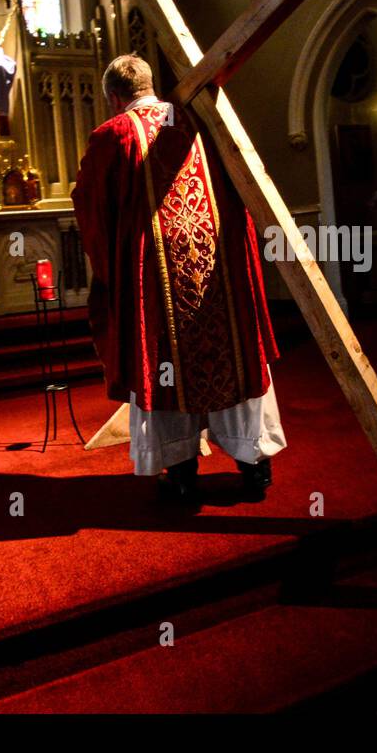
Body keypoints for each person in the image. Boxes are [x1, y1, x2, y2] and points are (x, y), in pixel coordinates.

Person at [72, 55, 286, 501]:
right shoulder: (199, 120)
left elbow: (92, 211)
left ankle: (183, 477)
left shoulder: (112, 136)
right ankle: (255, 473)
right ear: (151, 85)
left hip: (155, 285)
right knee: (237, 359)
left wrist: (111, 278)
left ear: (115, 97)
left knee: (164, 370)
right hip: (221, 277)